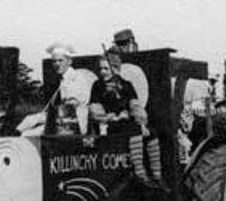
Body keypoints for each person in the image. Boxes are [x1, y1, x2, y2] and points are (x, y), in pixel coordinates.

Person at [89, 50, 165, 190]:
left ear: (115, 68)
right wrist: (112, 116)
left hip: (128, 121)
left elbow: (135, 105)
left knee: (151, 133)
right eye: (101, 69)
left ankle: (157, 175)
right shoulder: (98, 86)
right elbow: (95, 111)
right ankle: (140, 174)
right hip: (110, 124)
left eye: (106, 68)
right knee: (133, 130)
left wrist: (141, 123)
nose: (103, 72)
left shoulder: (126, 84)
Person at [15, 44, 92, 136]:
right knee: (29, 119)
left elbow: (71, 105)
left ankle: (16, 138)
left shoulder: (77, 78)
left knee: (29, 133)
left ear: (69, 61)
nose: (57, 64)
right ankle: (12, 134)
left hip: (74, 122)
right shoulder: (64, 79)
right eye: (54, 61)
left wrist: (51, 116)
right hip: (62, 116)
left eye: (60, 60)